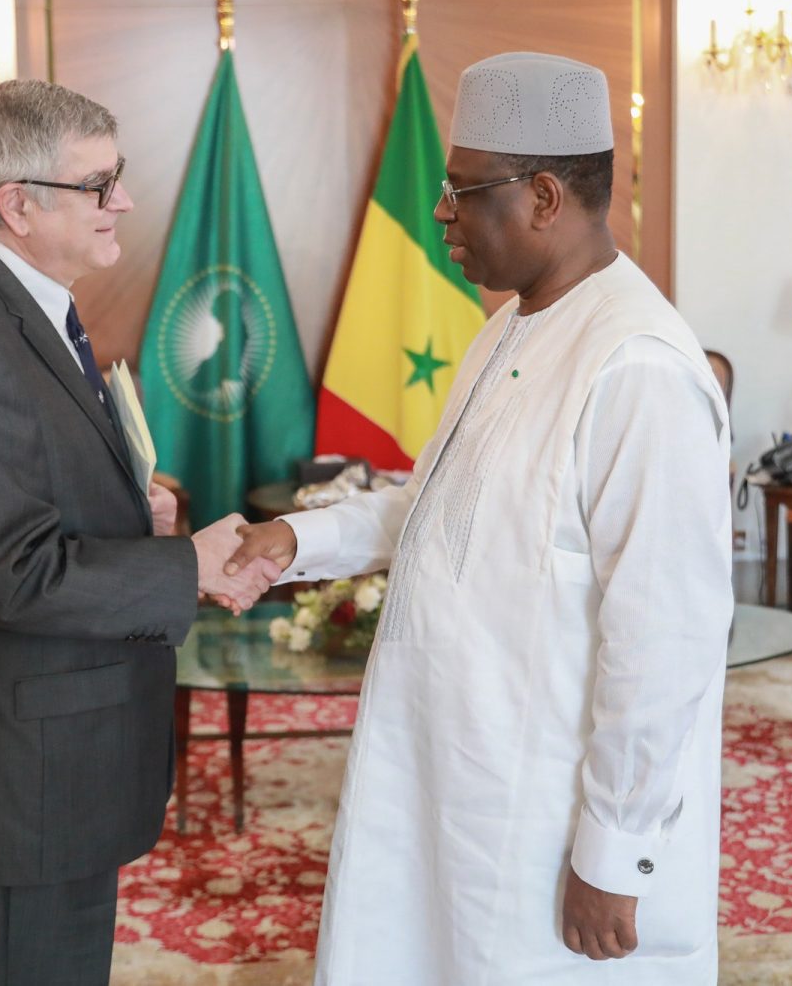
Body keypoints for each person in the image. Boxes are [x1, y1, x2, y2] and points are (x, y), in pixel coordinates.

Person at [227, 53, 733, 983]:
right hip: (451, 770)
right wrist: (297, 539)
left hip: (538, 807)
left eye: (463, 191)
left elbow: (668, 639)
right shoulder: (509, 326)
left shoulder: (639, 368)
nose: (442, 214)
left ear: (545, 196)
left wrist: (614, 853)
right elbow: (438, 508)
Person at [0, 79, 278, 985]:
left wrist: (133, 519)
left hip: (54, 748)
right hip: (27, 768)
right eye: (98, 183)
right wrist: (184, 567)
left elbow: (25, 505)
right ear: (17, 204)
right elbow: (12, 574)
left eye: (119, 176)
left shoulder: (28, 309)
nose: (124, 202)